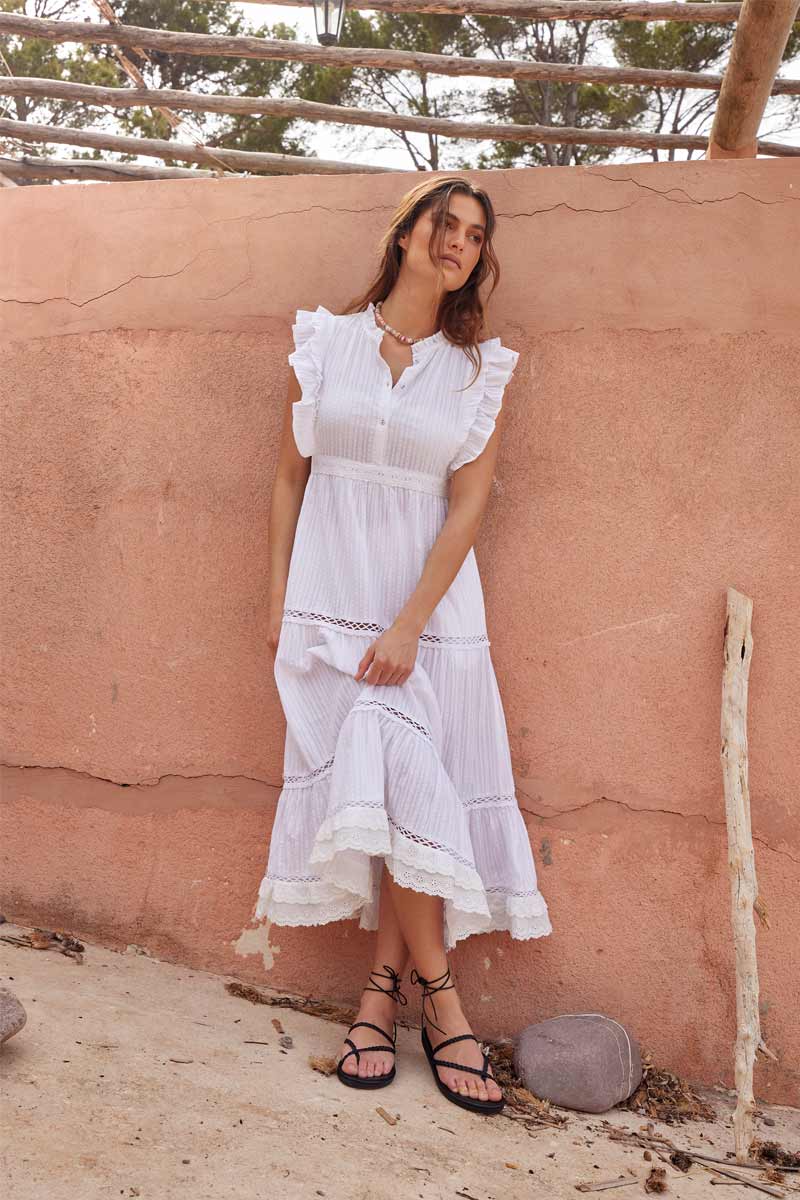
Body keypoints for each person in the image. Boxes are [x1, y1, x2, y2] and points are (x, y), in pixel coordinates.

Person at [257, 175, 552, 1116]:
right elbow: (289, 477)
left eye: (475, 234)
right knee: (385, 795)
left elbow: (468, 507)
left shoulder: (475, 373)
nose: (458, 241)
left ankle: (417, 1000)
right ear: (406, 232)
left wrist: (409, 624)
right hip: (331, 602)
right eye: (444, 222)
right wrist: (278, 597)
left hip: (426, 616)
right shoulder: (324, 344)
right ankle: (401, 999)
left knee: (405, 784)